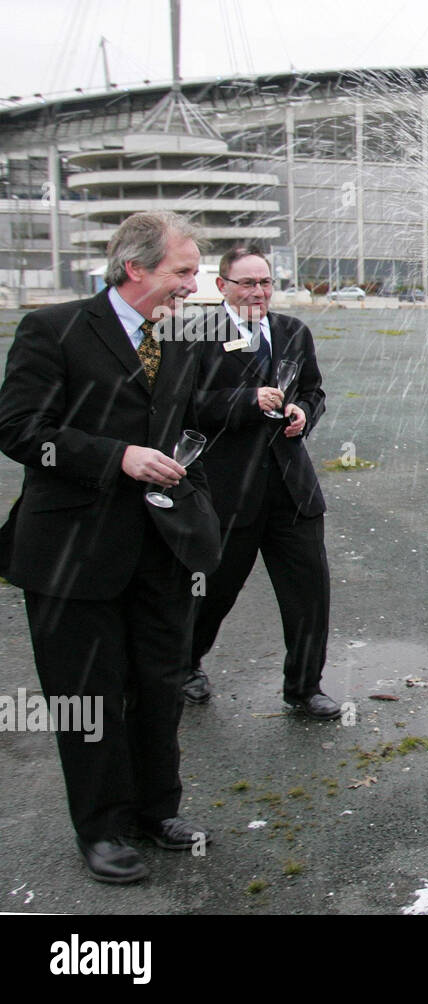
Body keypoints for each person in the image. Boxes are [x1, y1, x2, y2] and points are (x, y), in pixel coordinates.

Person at [0, 211, 222, 883]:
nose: (193, 284)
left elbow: (187, 427)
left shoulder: (177, 341)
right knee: (88, 697)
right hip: (72, 552)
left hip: (161, 549)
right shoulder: (54, 329)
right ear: (136, 268)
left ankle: (159, 810)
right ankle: (102, 829)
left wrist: (198, 508)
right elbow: (18, 430)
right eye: (182, 271)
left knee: (159, 686)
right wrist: (118, 456)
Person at [184, 246, 339, 719]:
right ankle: (184, 665)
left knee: (310, 594)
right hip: (229, 490)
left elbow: (313, 390)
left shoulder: (293, 331)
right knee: (214, 590)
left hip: (291, 487)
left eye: (265, 282)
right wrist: (245, 401)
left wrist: (302, 413)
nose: (258, 292)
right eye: (247, 283)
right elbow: (185, 404)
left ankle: (305, 687)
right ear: (222, 286)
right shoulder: (193, 333)